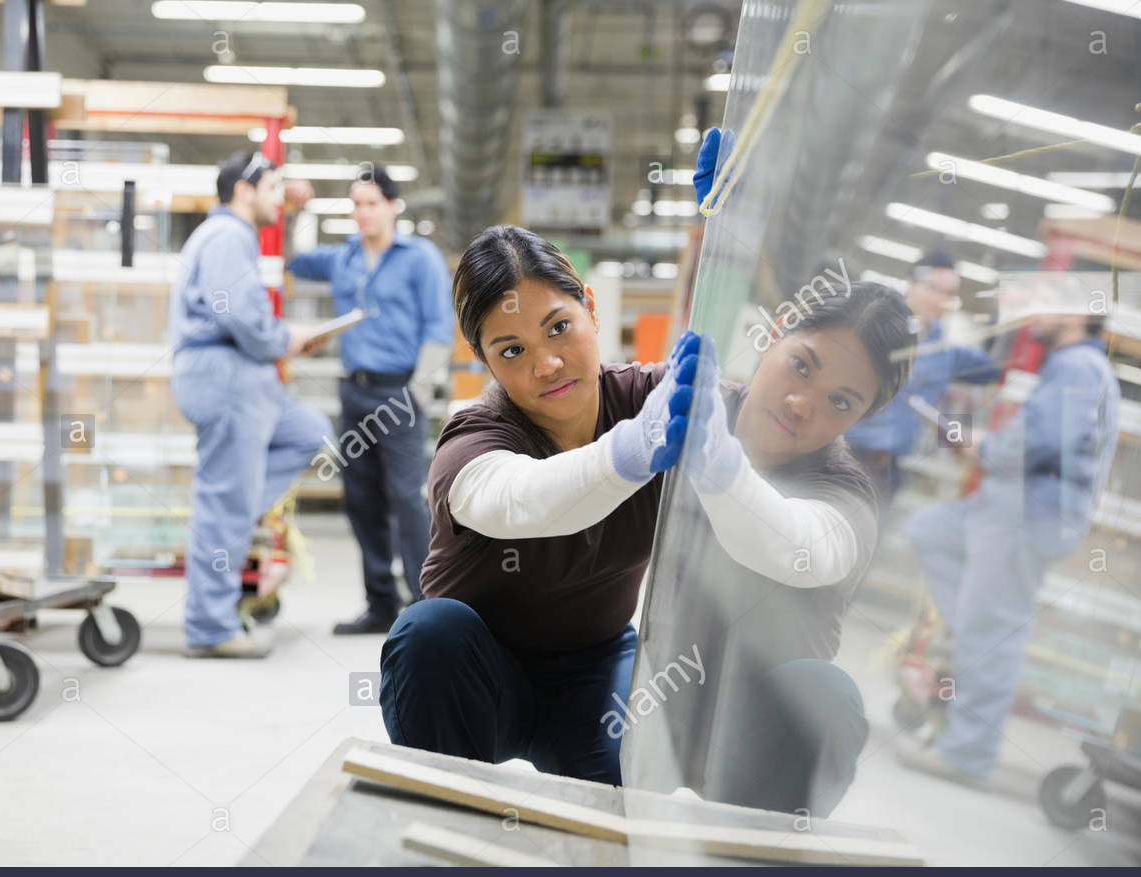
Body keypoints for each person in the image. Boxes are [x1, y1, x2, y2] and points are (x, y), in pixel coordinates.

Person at [379, 219, 915, 813]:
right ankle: (442, 834)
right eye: (512, 350)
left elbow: (796, 535)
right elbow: (516, 498)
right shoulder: (479, 435)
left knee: (627, 788)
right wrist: (629, 453)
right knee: (430, 632)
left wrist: (723, 214)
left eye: (560, 327)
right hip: (475, 675)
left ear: (590, 309)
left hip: (598, 671)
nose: (548, 363)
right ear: (482, 358)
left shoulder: (668, 405)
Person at [897, 302, 1120, 785]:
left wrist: (982, 447)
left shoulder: (1080, 366)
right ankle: (969, 630)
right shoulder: (1067, 366)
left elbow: (1040, 442)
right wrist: (975, 439)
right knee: (929, 531)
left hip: (1025, 518)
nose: (1033, 310)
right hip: (1003, 509)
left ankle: (967, 754)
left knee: (993, 631)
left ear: (1077, 313)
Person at [169, 151, 329, 658]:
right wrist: (288, 337)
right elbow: (241, 315)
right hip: (227, 375)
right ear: (244, 189)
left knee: (309, 431)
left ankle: (234, 514)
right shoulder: (226, 237)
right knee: (223, 502)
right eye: (274, 188)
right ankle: (210, 628)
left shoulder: (235, 238)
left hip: (245, 378)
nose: (279, 198)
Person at [284, 165, 455, 635]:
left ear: (393, 206)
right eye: (356, 205)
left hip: (399, 390)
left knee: (405, 497)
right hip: (354, 390)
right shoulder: (343, 259)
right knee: (361, 499)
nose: (362, 213)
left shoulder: (420, 258)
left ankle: (424, 606)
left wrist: (418, 393)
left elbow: (439, 328)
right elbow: (289, 259)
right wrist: (294, 209)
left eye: (371, 203)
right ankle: (380, 604)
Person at [844, 248, 1000, 507]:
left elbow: (998, 368)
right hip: (841, 451)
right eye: (933, 288)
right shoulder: (871, 329)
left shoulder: (946, 354)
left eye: (950, 294)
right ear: (910, 283)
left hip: (886, 471)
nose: (940, 300)